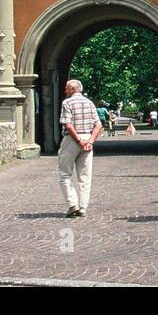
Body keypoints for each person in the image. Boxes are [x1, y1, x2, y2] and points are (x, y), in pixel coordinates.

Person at [58, 79, 102, 218]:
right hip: (88, 138)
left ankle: (73, 204)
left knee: (65, 173)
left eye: (66, 88)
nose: (65, 91)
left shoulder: (67, 103)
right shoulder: (90, 103)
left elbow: (68, 124)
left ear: (72, 89)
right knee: (85, 176)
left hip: (72, 139)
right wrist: (90, 141)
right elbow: (98, 125)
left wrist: (78, 141)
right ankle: (83, 207)